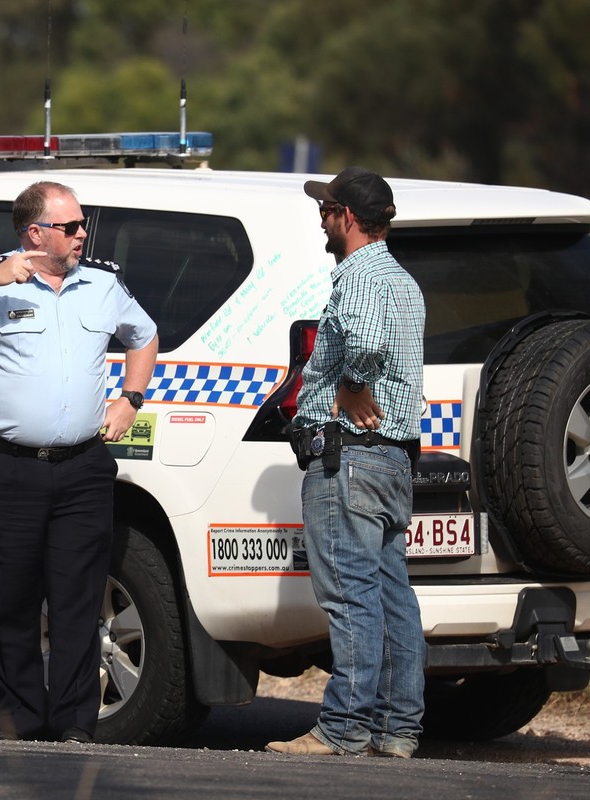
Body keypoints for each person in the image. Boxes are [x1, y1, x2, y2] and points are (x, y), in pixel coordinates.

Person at [0, 181, 159, 743]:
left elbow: (145, 335)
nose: (83, 235)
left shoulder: (102, 283)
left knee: (79, 600)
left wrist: (130, 399)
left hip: (82, 468)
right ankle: (20, 721)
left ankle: (75, 723)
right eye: (72, 226)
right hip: (8, 467)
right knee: (13, 601)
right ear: (36, 233)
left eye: (83, 226)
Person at [267, 167, 426, 758]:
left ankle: (343, 728)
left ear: (349, 219)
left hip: (349, 457)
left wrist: (354, 384)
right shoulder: (404, 280)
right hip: (391, 460)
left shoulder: (358, 274)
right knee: (392, 596)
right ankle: (397, 728)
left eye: (327, 210)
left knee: (350, 595)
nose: (322, 219)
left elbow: (364, 340)